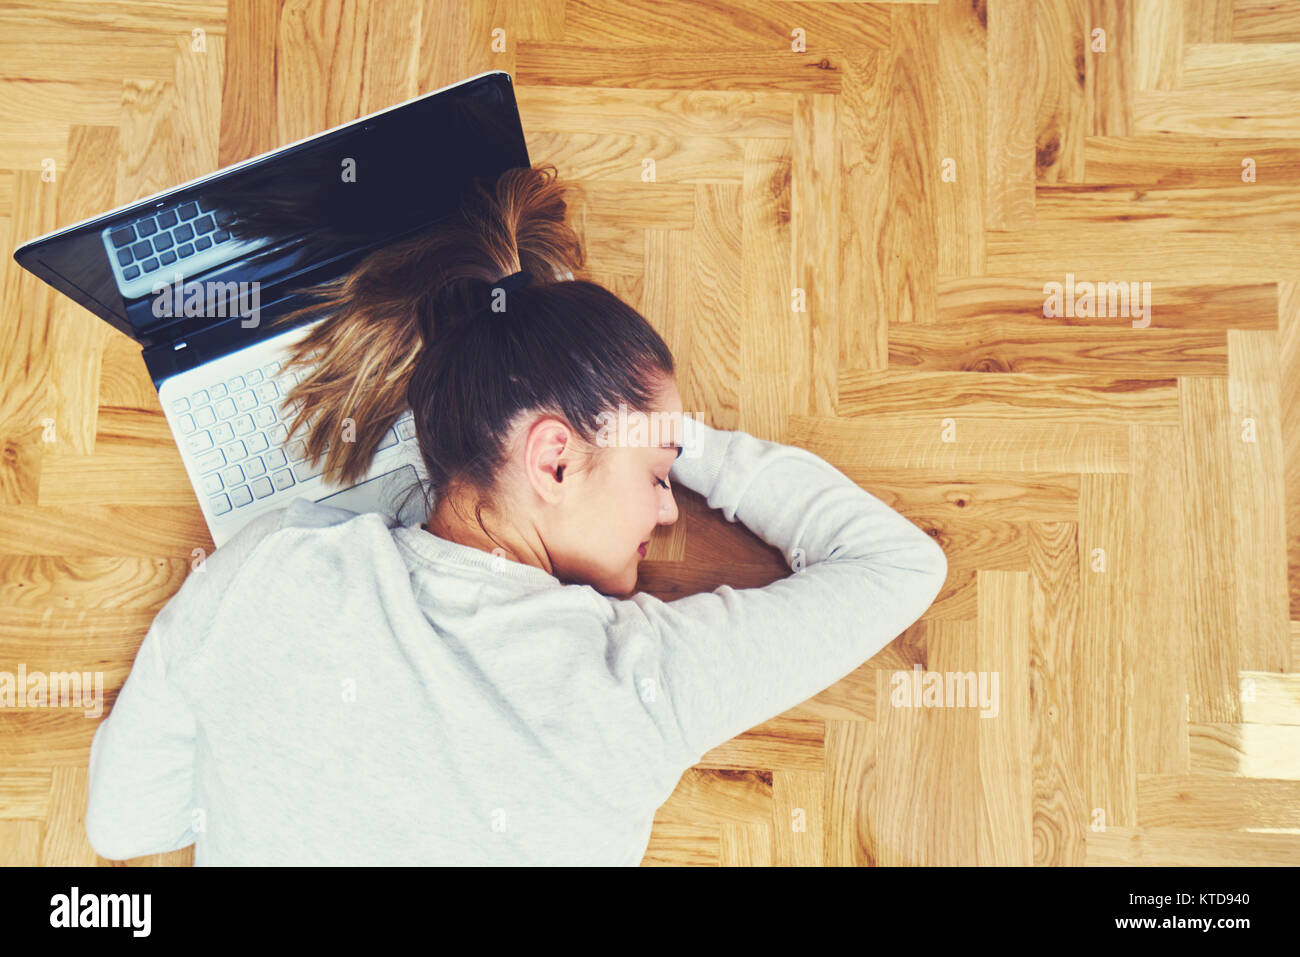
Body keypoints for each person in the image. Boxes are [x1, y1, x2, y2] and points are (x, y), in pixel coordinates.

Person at [84, 164, 948, 865]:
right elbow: (896, 565)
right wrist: (696, 440)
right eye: (659, 465)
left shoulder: (273, 571)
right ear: (555, 459)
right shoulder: (641, 683)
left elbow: (125, 829)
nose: (665, 508)